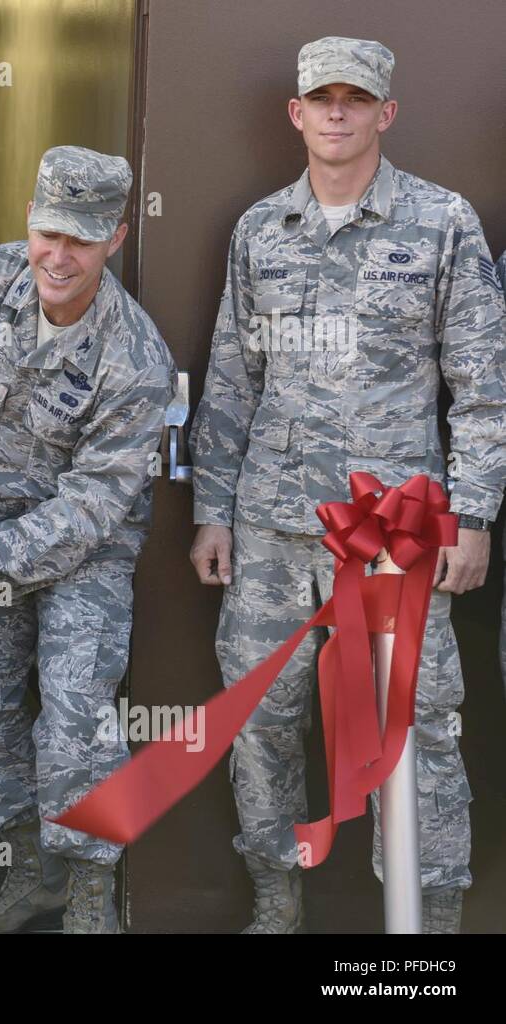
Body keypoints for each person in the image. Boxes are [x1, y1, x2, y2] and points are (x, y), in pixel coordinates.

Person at [189, 37, 506, 934]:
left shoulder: (442, 223)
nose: (337, 112)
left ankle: (427, 926)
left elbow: (484, 388)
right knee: (262, 723)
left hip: (395, 537)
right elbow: (230, 385)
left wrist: (473, 514)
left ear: (384, 113)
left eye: (354, 98)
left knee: (419, 729)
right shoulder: (259, 231)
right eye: (321, 97)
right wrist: (213, 510)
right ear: (296, 113)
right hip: (273, 536)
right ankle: (277, 900)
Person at [0, 145, 175, 934]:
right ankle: (32, 871)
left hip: (85, 551)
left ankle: (87, 892)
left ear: (115, 239)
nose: (58, 256)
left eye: (80, 240)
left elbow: (88, 511)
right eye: (49, 231)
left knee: (77, 714)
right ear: (29, 220)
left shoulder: (137, 359)